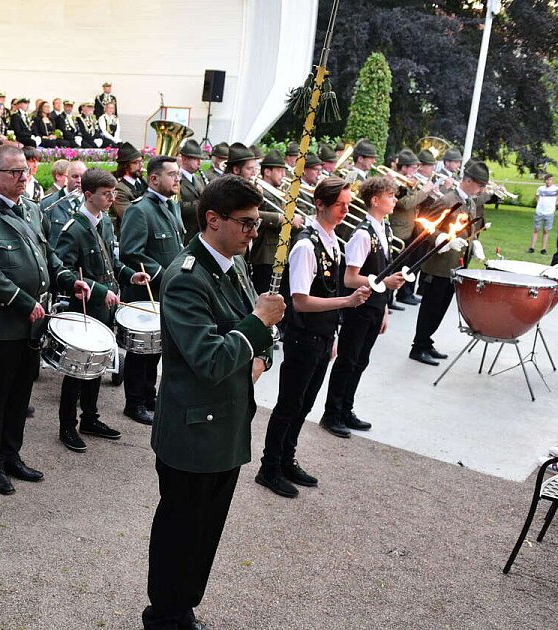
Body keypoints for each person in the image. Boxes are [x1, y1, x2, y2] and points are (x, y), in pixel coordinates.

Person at [144, 175, 284, 630]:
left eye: (257, 223)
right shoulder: (186, 277)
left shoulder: (232, 264)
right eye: (245, 223)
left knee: (206, 532)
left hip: (225, 424)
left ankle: (185, 607)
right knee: (181, 532)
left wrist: (259, 353)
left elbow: (252, 338)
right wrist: (259, 324)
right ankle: (164, 615)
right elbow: (208, 358)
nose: (253, 232)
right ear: (212, 219)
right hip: (192, 429)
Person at [0, 145, 96, 495]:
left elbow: (47, 256)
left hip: (31, 323)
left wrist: (69, 279)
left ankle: (12, 455)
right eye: (15, 172)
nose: (24, 178)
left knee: (21, 393)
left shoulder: (32, 210)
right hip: (1, 323)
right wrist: (23, 302)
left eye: (26, 171)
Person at [256, 177, 371, 498]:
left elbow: (329, 288)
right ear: (320, 204)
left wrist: (332, 333)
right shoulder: (306, 246)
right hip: (303, 337)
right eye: (339, 205)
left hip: (321, 336)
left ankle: (286, 459)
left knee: (305, 404)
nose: (345, 211)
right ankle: (269, 467)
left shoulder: (333, 240)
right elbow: (300, 300)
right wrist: (347, 302)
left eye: (348, 205)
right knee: (289, 404)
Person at [53, 168, 148, 452]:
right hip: (85, 308)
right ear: (88, 195)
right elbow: (64, 271)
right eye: (106, 194)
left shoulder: (105, 222)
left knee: (99, 364)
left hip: (105, 308)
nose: (111, 198)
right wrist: (99, 290)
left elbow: (110, 263)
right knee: (78, 368)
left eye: (113, 193)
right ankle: (67, 426)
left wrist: (130, 275)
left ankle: (90, 418)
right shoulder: (75, 228)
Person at [320, 176, 406, 438]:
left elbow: (384, 271)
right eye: (390, 196)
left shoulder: (385, 229)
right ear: (375, 200)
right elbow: (350, 277)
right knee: (348, 360)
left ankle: (347, 408)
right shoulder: (362, 234)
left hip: (375, 306)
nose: (395, 200)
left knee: (361, 361)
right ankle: (331, 413)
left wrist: (385, 309)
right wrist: (383, 282)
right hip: (359, 307)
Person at [119, 156, 185, 426]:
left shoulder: (173, 207)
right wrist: (166, 275)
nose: (177, 179)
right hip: (145, 292)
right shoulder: (140, 209)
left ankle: (149, 396)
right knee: (140, 351)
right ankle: (133, 403)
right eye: (172, 174)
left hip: (166, 293)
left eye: (179, 174)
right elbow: (130, 252)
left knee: (157, 347)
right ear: (154, 179)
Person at [410, 161, 490, 365]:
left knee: (442, 307)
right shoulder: (447, 200)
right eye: (479, 184)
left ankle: (426, 342)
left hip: (456, 264)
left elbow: (470, 231)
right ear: (468, 180)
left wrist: (475, 245)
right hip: (439, 265)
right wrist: (441, 239)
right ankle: (418, 347)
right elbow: (424, 227)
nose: (481, 189)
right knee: (431, 307)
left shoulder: (470, 203)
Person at [249, 149, 300, 293]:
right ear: (267, 172)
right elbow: (255, 214)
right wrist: (284, 218)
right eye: (279, 170)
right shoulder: (259, 190)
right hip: (265, 254)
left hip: (282, 252)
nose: (284, 175)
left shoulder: (279, 191)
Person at [388, 149, 429, 306]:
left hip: (410, 227)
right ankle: (389, 299)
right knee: (393, 265)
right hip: (399, 228)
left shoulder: (407, 181)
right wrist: (424, 192)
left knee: (402, 265)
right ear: (403, 168)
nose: (415, 171)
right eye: (413, 167)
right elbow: (405, 204)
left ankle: (397, 296)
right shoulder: (396, 182)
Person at [42, 160, 87, 239]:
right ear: (67, 177)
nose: (79, 181)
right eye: (75, 176)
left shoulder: (92, 203)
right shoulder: (48, 203)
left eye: (83, 177)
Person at [178, 140, 207, 244]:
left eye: (200, 159)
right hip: (185, 233)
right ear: (184, 159)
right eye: (195, 159)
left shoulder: (199, 179)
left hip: (199, 232)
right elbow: (178, 206)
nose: (200, 163)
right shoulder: (177, 180)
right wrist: (203, 204)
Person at [111, 142, 146, 220]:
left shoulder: (144, 181)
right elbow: (130, 217)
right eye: (136, 162)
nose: (141, 165)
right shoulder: (119, 190)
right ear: (125, 166)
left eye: (141, 161)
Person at [531, 174, 558, 255]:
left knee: (546, 230)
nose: (548, 181)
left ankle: (543, 249)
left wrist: (555, 204)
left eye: (550, 180)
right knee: (536, 229)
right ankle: (532, 247)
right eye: (547, 180)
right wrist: (539, 203)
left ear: (553, 181)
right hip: (539, 212)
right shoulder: (540, 188)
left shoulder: (556, 189)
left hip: (549, 212)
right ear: (544, 181)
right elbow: (537, 196)